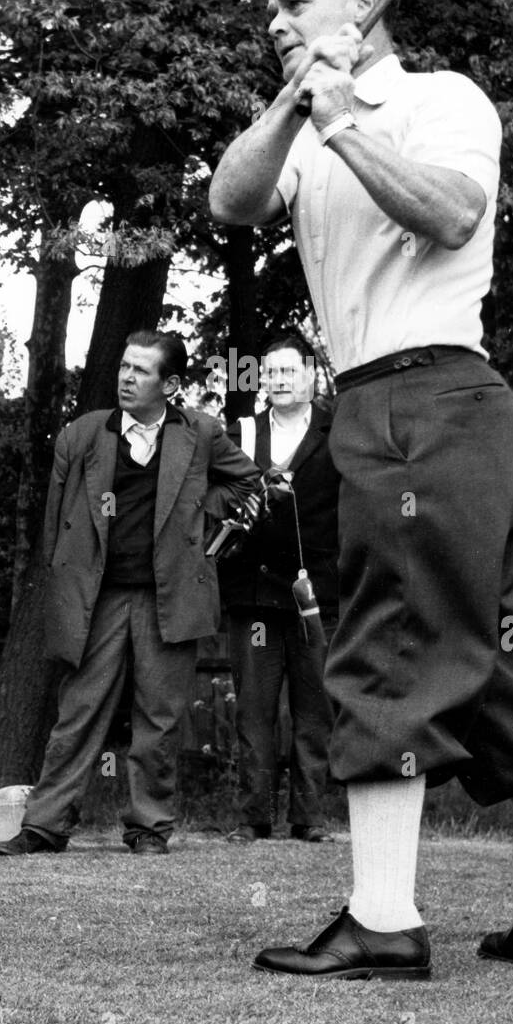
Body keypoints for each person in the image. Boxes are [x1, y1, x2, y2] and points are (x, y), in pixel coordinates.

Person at [209, 0, 513, 978]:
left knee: (389, 643)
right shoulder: (299, 125)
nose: (274, 18)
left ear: (366, 2)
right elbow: (231, 202)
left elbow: (448, 215)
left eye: (294, 1)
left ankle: (383, 918)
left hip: (427, 400)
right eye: (267, 10)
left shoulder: (444, 100)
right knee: (496, 665)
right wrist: (302, 101)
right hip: (417, 411)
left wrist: (344, 115)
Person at [0, 331, 261, 858]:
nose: (125, 378)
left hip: (171, 599)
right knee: (78, 713)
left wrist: (201, 512)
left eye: (140, 370)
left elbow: (250, 484)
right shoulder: (84, 434)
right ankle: (44, 826)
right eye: (123, 367)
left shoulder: (201, 433)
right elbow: (56, 523)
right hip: (98, 599)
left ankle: (149, 829)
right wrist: (63, 585)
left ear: (172, 384)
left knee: (159, 720)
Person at [220, 336, 340, 845]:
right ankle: (254, 817)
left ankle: (309, 818)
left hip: (319, 592)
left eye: (289, 371)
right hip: (254, 590)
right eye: (269, 373)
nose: (278, 380)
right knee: (255, 707)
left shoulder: (341, 430)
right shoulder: (241, 433)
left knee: (316, 707)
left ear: (312, 376)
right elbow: (217, 495)